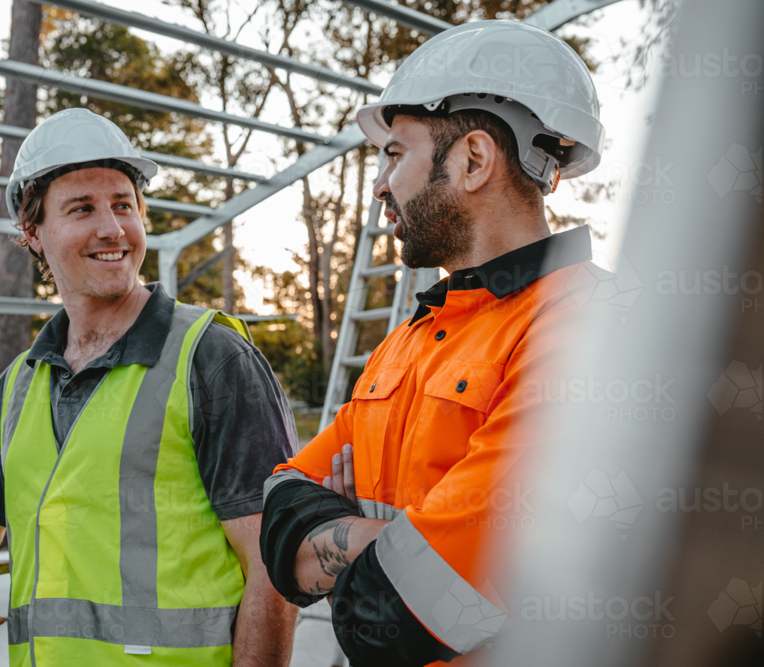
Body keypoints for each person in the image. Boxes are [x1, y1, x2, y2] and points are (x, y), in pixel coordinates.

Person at [260, 20, 608, 666]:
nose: (379, 185)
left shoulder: (585, 328)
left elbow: (386, 615)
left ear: (472, 160)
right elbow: (278, 514)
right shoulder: (410, 340)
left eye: (395, 153)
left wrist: (346, 549)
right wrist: (397, 548)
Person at [0, 108, 299, 666]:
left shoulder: (212, 359)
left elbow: (273, 562)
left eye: (124, 204)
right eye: (82, 209)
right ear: (33, 232)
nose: (113, 228)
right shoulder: (19, 384)